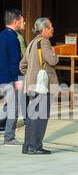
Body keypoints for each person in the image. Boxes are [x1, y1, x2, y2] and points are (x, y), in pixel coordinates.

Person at [20, 17, 58, 155]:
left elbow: (22, 65)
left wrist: (31, 75)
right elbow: (52, 60)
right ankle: (35, 146)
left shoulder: (31, 43)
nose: (53, 29)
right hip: (43, 85)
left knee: (32, 116)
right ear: (45, 29)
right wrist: (55, 53)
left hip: (32, 85)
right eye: (51, 26)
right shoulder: (45, 42)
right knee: (40, 116)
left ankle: (27, 145)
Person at [0, 10, 23, 146]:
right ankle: (9, 137)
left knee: (7, 106)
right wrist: (18, 79)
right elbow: (15, 61)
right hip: (9, 77)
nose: (22, 22)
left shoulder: (1, 35)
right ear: (15, 21)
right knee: (13, 108)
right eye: (21, 20)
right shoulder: (13, 38)